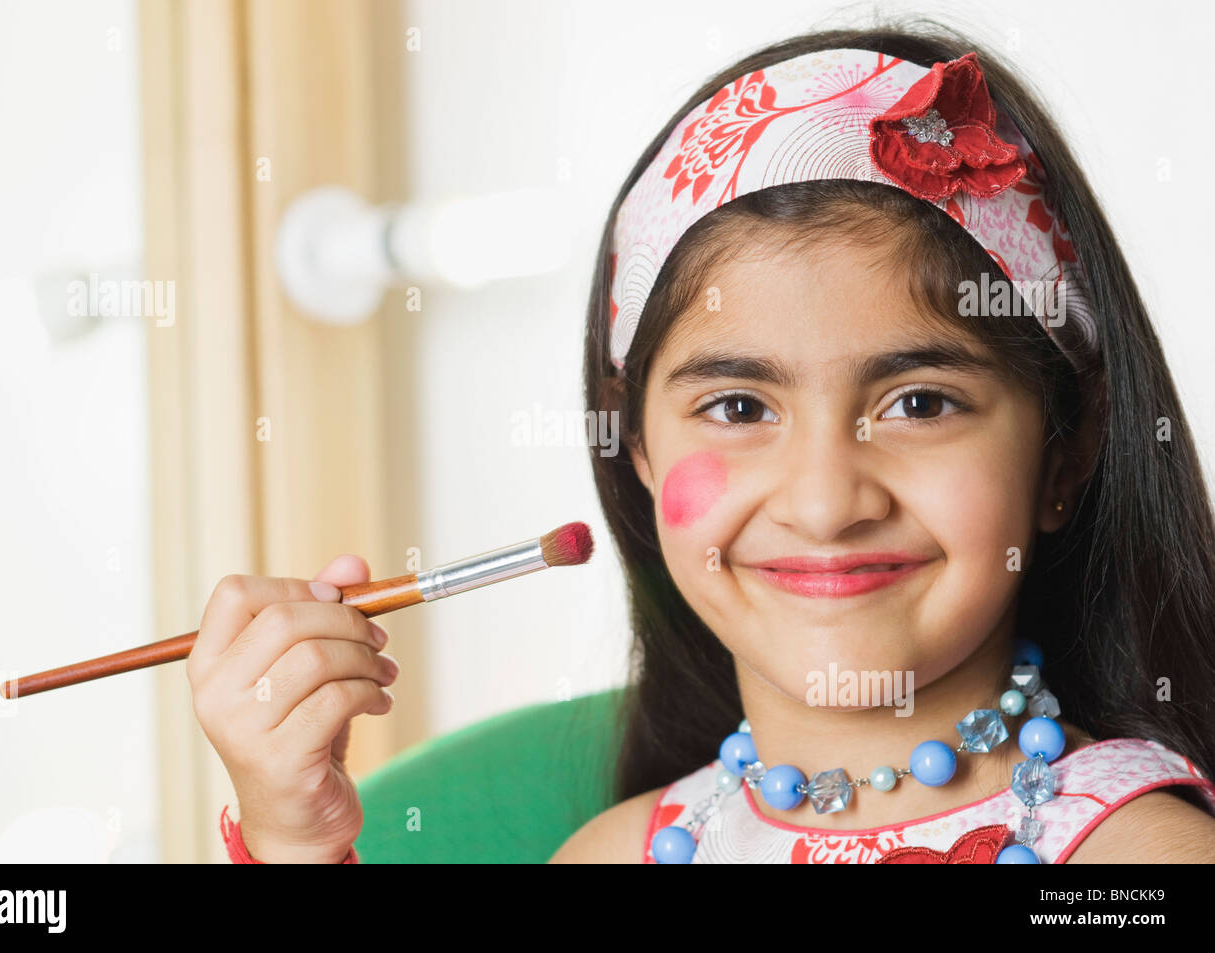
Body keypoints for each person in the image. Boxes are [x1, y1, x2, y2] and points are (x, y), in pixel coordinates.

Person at [196, 20, 1215, 864]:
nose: (823, 499)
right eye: (737, 408)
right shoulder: (610, 853)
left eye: (918, 403)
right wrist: (297, 836)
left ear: (1067, 446)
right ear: (633, 443)